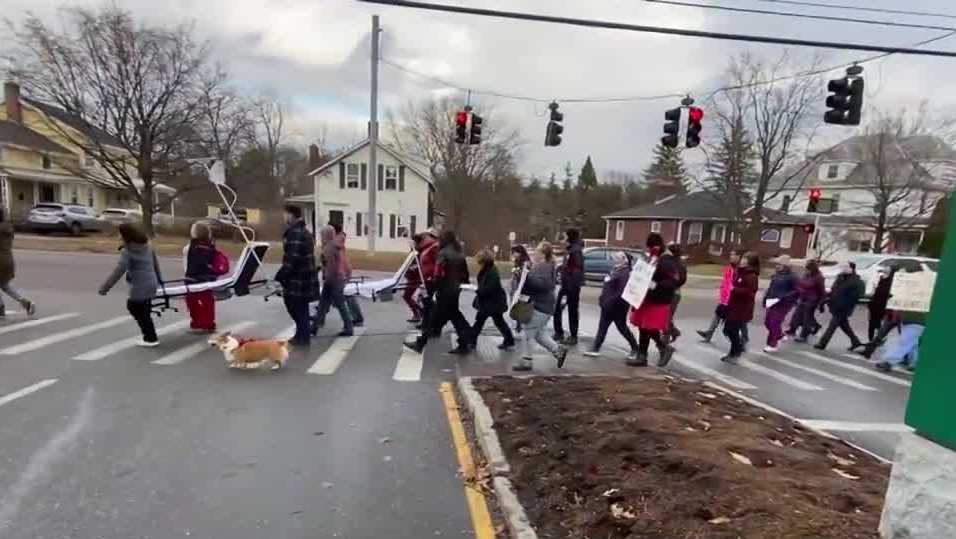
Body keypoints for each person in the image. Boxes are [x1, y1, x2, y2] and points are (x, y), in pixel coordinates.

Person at [404, 230, 472, 354]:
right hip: (455, 290)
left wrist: (433, 287)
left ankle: (420, 344)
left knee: (433, 319)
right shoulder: (459, 253)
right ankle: (466, 340)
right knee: (456, 316)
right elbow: (465, 274)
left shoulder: (443, 253)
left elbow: (438, 274)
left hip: (444, 290)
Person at [98, 223, 162, 347]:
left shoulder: (128, 251)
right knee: (144, 311)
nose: (118, 236)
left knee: (133, 306)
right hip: (152, 282)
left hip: (140, 286)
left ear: (125, 235)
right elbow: (156, 264)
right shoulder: (147, 245)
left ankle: (151, 338)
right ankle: (150, 336)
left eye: (119, 234)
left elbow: (118, 271)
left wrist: (105, 288)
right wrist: (160, 280)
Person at [512, 242, 569, 372]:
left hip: (541, 305)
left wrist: (526, 277)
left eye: (537, 251)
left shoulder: (545, 267)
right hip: (543, 305)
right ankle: (558, 350)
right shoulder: (542, 266)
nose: (534, 253)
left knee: (528, 331)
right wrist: (522, 275)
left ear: (542, 254)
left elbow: (544, 285)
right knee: (539, 333)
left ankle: (526, 362)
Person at [628, 233, 677, 367]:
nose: (649, 251)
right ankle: (647, 353)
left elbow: (671, 282)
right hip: (648, 298)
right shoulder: (655, 258)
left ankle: (656, 350)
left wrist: (655, 285)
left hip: (658, 299)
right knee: (644, 327)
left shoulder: (666, 261)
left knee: (647, 328)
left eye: (650, 248)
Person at [275, 205, 319, 346]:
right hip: (304, 277)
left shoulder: (296, 233)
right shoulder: (303, 231)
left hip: (298, 279)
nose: (283, 218)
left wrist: (281, 276)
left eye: (285, 215)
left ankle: (303, 338)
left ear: (291, 215)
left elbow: (292, 258)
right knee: (301, 309)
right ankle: (301, 335)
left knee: (295, 307)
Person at [584, 251, 639, 360]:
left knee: (622, 328)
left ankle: (635, 348)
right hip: (607, 305)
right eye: (615, 257)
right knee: (602, 327)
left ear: (624, 260)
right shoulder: (615, 270)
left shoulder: (625, 273)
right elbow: (607, 286)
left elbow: (621, 292)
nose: (615, 259)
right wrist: (602, 299)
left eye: (617, 258)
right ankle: (595, 348)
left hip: (617, 306)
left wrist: (609, 301)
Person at [814, 261, 865, 352]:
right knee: (844, 325)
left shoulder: (856, 281)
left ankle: (822, 343)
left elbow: (859, 295)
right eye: (843, 267)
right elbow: (834, 289)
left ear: (851, 269)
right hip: (835, 305)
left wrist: (848, 301)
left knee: (832, 325)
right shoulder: (840, 277)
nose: (843, 269)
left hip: (844, 307)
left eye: (845, 267)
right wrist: (828, 298)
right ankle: (855, 342)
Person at [314, 224, 354, 337]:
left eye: (322, 235)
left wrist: (328, 278)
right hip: (338, 279)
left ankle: (348, 327)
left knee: (338, 304)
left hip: (333, 280)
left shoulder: (329, 248)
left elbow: (331, 266)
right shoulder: (335, 245)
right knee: (324, 304)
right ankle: (315, 326)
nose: (320, 237)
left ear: (325, 235)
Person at [471, 247, 515, 350]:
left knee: (480, 322)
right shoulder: (488, 269)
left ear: (484, 261)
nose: (478, 263)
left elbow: (490, 288)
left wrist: (478, 290)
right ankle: (509, 340)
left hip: (492, 303)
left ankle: (471, 342)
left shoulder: (492, 271)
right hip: (490, 302)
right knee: (497, 322)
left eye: (479, 261)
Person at [722, 252, 760, 363]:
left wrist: (734, 289)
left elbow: (750, 292)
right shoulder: (740, 272)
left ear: (751, 262)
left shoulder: (751, 276)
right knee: (728, 329)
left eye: (745, 259)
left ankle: (735, 352)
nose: (742, 260)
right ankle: (737, 348)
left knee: (732, 330)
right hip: (733, 306)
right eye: (743, 258)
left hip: (742, 309)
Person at [183, 221, 219, 333]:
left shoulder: (188, 248)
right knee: (208, 301)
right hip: (207, 279)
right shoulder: (211, 247)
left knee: (193, 302)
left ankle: (197, 323)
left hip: (192, 280)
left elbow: (186, 266)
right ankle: (210, 323)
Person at [697, 250, 739, 343]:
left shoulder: (737, 270)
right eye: (731, 254)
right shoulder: (729, 268)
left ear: (738, 257)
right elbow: (726, 282)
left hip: (731, 300)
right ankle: (709, 334)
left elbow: (736, 285)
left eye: (734, 255)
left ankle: (740, 340)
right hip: (724, 299)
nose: (731, 257)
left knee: (733, 322)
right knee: (717, 316)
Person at [0, 209, 36, 317]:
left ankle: (0, 308)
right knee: (4, 285)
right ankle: (26, 303)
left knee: (4, 285)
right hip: (8, 259)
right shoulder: (8, 228)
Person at [553, 228, 584, 345]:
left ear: (570, 236)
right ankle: (559, 332)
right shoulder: (570, 248)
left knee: (572, 310)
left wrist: (570, 283)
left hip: (572, 286)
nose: (564, 237)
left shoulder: (575, 250)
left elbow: (577, 268)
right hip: (566, 284)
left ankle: (573, 336)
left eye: (565, 235)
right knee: (557, 308)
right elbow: (568, 265)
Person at [762, 255, 799, 353]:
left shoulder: (793, 277)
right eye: (776, 264)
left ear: (786, 265)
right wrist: (765, 299)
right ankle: (780, 335)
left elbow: (797, 291)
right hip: (772, 301)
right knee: (767, 322)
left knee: (774, 322)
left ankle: (772, 344)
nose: (777, 266)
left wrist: (784, 297)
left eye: (779, 264)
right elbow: (770, 288)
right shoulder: (776, 275)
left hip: (784, 304)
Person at [332, 223, 364, 327]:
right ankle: (356, 318)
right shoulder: (338, 240)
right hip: (343, 271)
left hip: (341, 272)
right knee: (346, 295)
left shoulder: (336, 242)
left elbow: (339, 260)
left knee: (346, 295)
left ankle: (356, 319)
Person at [787, 260, 826, 342]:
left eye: (808, 269)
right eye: (806, 269)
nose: (806, 271)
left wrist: (821, 303)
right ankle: (792, 330)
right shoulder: (806, 275)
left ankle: (804, 336)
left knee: (807, 318)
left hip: (812, 299)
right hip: (803, 297)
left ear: (813, 269)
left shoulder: (819, 277)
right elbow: (800, 283)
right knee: (797, 314)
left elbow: (822, 291)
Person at [664, 243, 688, 343]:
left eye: (667, 250)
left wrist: (672, 285)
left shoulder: (679, 264)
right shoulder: (668, 262)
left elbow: (682, 279)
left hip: (674, 294)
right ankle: (674, 332)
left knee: (666, 318)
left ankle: (664, 343)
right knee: (665, 316)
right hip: (666, 292)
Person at [402, 234, 426, 324]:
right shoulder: (414, 251)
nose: (410, 243)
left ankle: (418, 313)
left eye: (412, 241)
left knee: (407, 296)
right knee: (420, 297)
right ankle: (420, 313)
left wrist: (414, 267)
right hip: (412, 277)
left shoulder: (419, 252)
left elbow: (420, 264)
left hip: (415, 278)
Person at [867, 266, 894, 342]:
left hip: (883, 305)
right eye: (885, 269)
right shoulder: (879, 278)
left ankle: (877, 339)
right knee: (871, 323)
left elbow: (888, 293)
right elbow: (872, 289)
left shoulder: (891, 281)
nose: (885, 270)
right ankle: (871, 340)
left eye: (888, 269)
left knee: (878, 323)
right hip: (874, 304)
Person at [509, 244, 532, 333]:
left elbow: (526, 275)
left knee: (520, 306)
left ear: (519, 252)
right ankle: (518, 326)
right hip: (515, 287)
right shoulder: (517, 261)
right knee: (516, 306)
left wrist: (517, 272)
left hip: (521, 288)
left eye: (514, 253)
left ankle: (520, 326)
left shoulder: (526, 262)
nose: (513, 255)